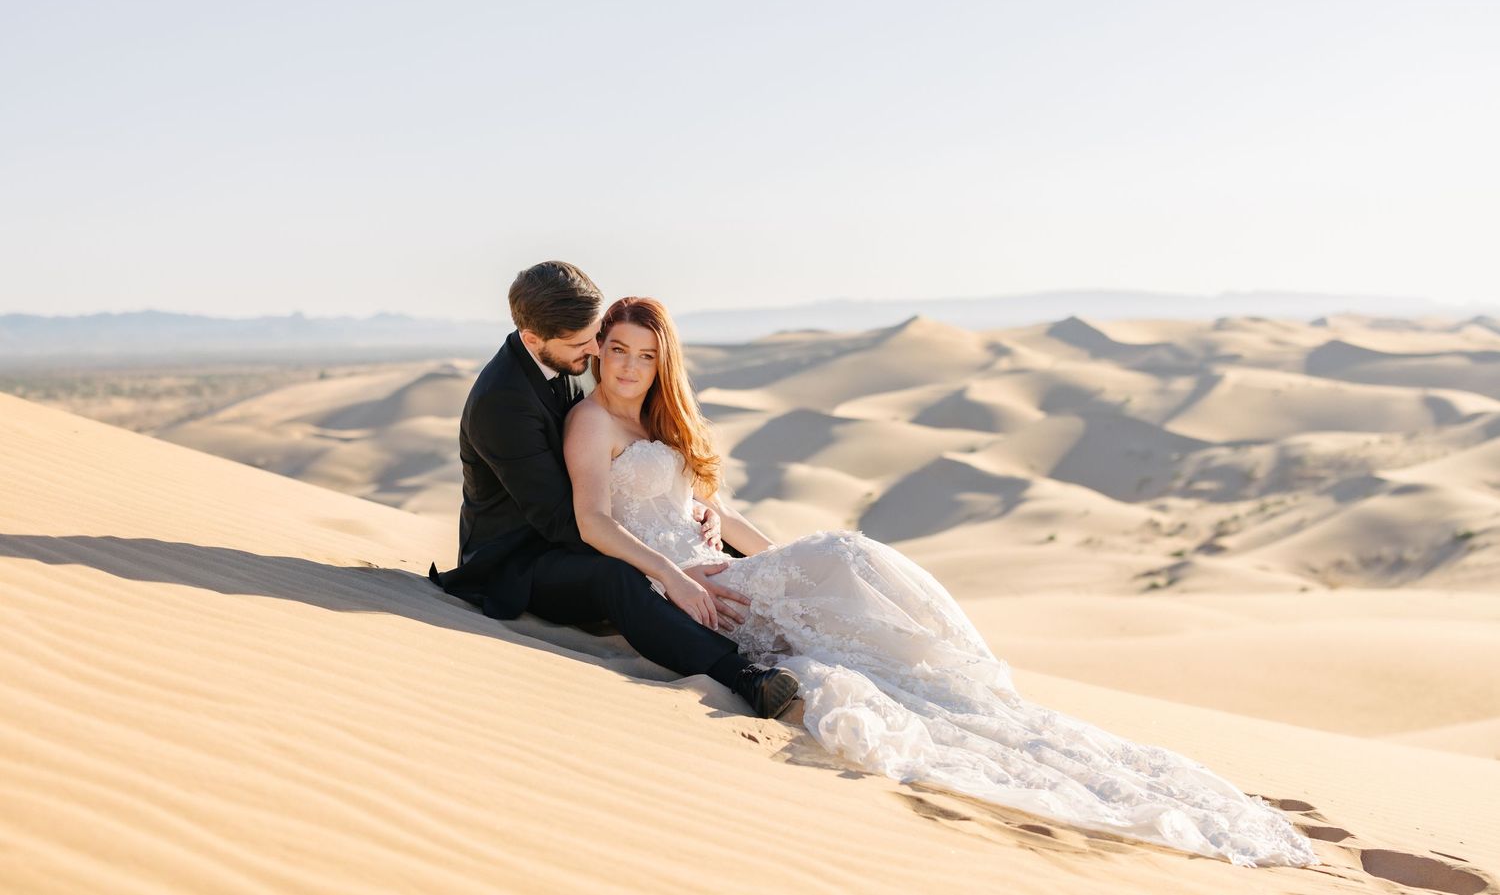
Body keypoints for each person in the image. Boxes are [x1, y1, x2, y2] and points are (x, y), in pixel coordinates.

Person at [561, 294, 1320, 869]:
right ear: (599, 353)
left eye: (646, 355)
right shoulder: (591, 422)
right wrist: (674, 573)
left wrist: (786, 562)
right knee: (844, 570)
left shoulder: (661, 427)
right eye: (618, 350)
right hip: (679, 586)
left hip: (716, 570)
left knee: (843, 557)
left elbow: (716, 512)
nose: (629, 366)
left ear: (665, 363)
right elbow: (595, 521)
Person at [427, 261, 799, 720]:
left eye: (596, 334)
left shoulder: (572, 353)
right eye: (584, 343)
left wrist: (685, 520)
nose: (597, 349)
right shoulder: (501, 404)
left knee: (716, 549)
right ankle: (742, 677)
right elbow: (562, 522)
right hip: (521, 559)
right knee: (618, 577)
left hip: (591, 523)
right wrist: (668, 569)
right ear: (532, 340)